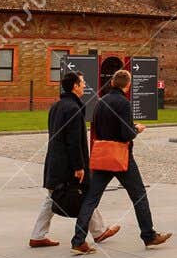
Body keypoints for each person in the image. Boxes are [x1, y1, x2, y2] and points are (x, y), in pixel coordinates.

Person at [70, 69, 170, 254]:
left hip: (103, 155)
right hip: (121, 156)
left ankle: (78, 239)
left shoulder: (101, 102)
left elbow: (97, 129)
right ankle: (148, 235)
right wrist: (137, 129)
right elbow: (126, 133)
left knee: (91, 199)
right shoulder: (123, 103)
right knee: (139, 195)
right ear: (128, 85)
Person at [32, 70, 118, 248]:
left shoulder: (57, 106)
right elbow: (73, 141)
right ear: (75, 86)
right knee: (85, 195)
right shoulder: (73, 108)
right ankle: (94, 233)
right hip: (67, 165)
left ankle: (38, 236)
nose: (85, 85)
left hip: (55, 161)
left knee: (54, 197)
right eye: (82, 82)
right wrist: (79, 166)